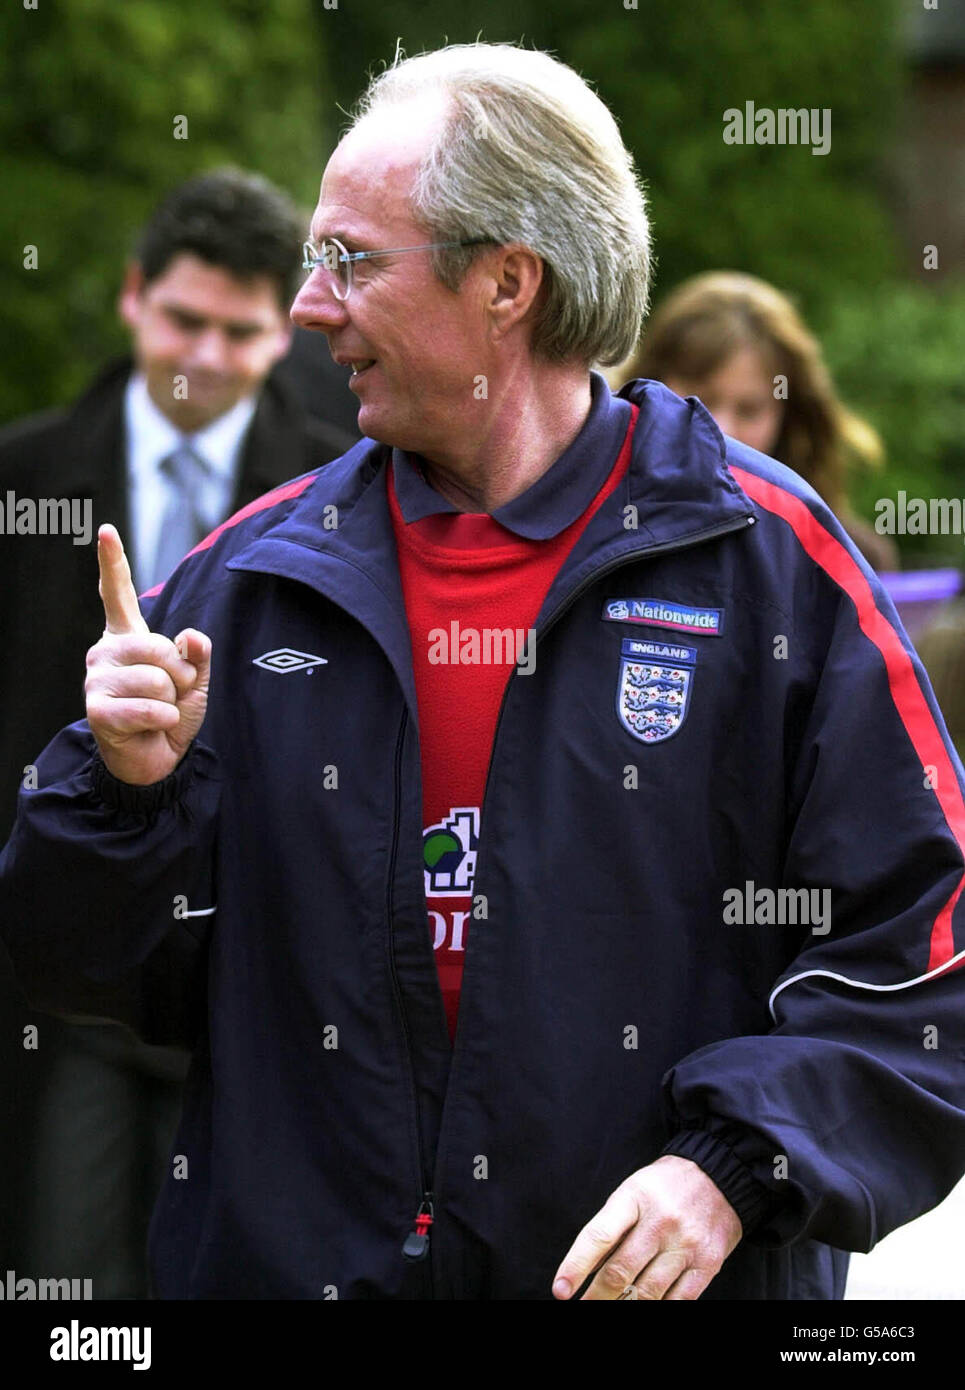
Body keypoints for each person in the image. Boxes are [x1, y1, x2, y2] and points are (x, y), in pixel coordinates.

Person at [2, 41, 964, 1302]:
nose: (306, 307)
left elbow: (928, 960)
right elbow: (84, 970)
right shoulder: (251, 575)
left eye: (348, 259)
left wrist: (735, 1164)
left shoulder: (768, 564)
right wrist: (123, 798)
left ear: (507, 282)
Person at [0, 167, 357, 1297]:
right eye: (181, 318)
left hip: (260, 974)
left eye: (239, 331)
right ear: (131, 298)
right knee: (67, 1288)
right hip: (59, 986)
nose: (202, 354)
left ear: (281, 334)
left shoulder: (340, 492)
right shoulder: (21, 478)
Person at [615, 270, 899, 571]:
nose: (722, 430)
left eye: (749, 410)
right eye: (700, 401)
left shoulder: (850, 559)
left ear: (789, 416)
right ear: (646, 387)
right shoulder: (602, 530)